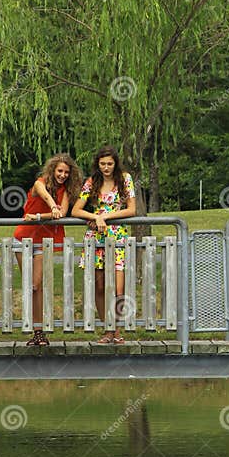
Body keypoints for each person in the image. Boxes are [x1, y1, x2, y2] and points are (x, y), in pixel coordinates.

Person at [13, 153, 83, 346]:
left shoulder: (66, 191)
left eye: (67, 172)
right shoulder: (40, 182)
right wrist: (51, 207)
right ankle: (36, 332)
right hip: (23, 238)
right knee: (30, 286)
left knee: (36, 285)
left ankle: (39, 331)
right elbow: (45, 195)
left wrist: (37, 216)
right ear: (53, 170)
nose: (63, 175)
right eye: (60, 171)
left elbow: (61, 213)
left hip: (44, 242)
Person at [72, 146, 136, 344]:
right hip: (96, 236)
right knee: (99, 286)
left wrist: (105, 216)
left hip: (117, 235)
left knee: (118, 288)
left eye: (109, 164)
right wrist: (95, 217)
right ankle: (107, 329)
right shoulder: (91, 182)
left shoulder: (124, 179)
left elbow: (131, 210)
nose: (106, 167)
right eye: (102, 164)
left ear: (115, 163)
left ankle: (115, 329)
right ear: (97, 164)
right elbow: (76, 210)